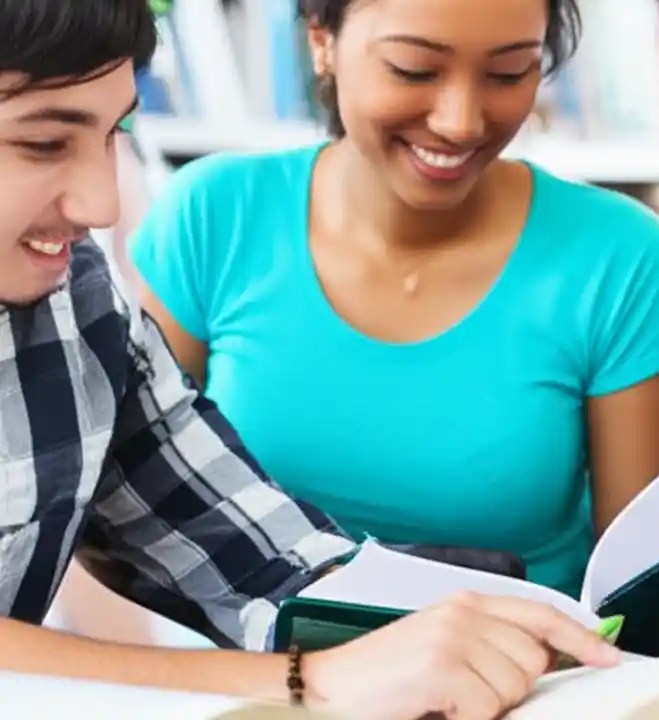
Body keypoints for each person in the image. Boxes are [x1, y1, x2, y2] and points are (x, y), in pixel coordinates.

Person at [0, 2, 620, 718]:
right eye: (45, 144)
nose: (102, 204)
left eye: (117, 134)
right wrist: (310, 679)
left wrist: (461, 628)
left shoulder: (80, 305)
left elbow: (248, 548)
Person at [128, 0, 659, 599]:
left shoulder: (622, 262)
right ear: (321, 42)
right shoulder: (213, 217)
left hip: (532, 679)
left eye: (509, 73)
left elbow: (643, 593)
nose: (461, 121)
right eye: (414, 69)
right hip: (254, 670)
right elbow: (135, 519)